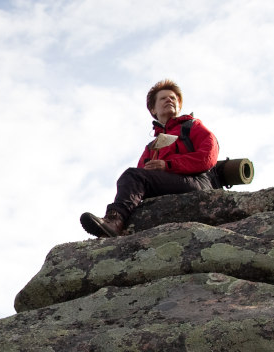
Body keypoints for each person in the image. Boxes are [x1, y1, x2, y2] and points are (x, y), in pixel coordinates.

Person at [79, 79, 220, 238]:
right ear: (153, 109)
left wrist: (167, 165)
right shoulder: (152, 146)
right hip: (173, 184)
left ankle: (114, 222)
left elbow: (207, 157)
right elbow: (140, 179)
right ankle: (112, 227)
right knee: (132, 181)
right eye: (163, 98)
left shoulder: (192, 126)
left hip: (197, 182)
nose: (169, 100)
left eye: (173, 98)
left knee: (133, 175)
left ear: (179, 106)